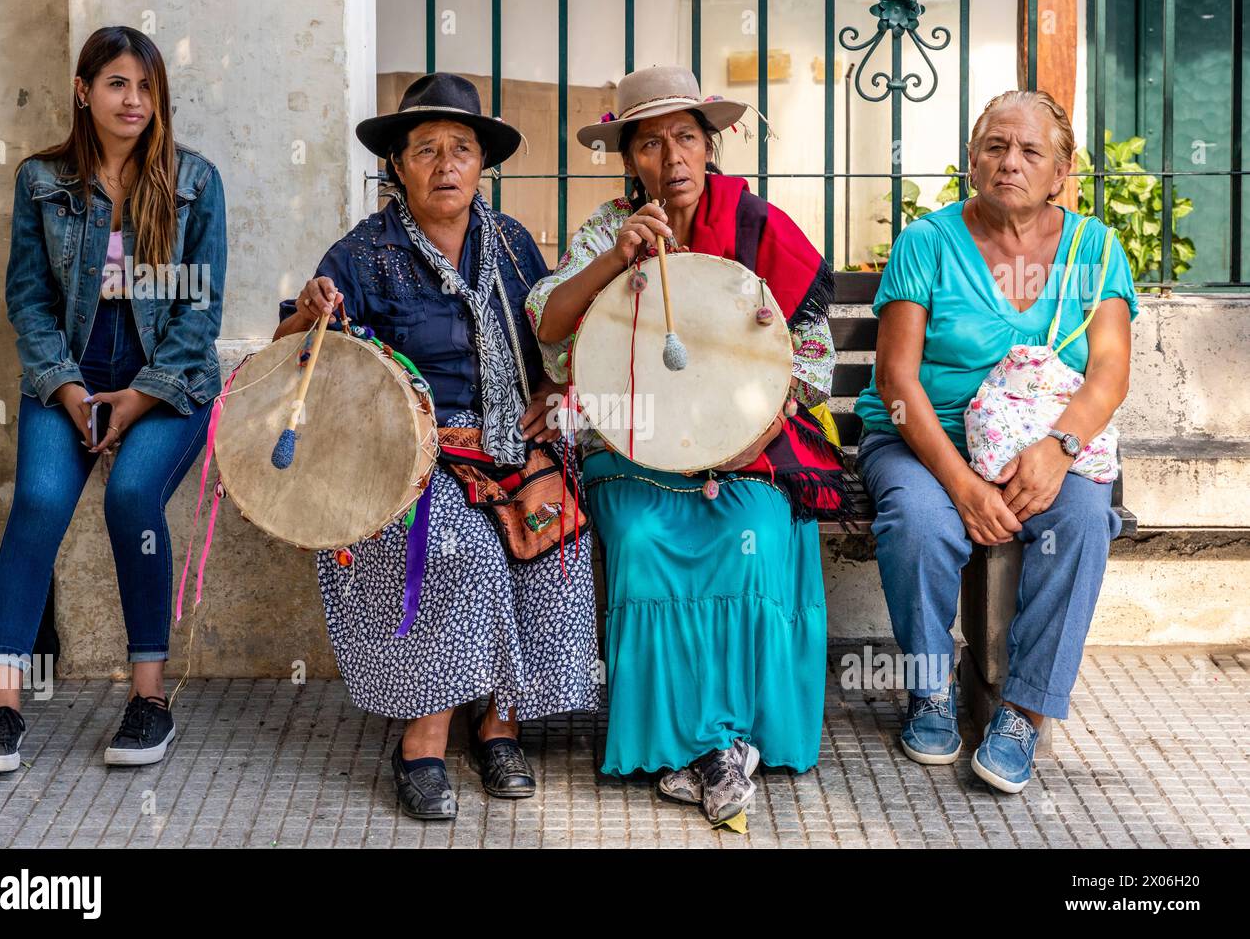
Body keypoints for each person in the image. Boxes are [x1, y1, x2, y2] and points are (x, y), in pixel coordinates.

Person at [527, 65, 849, 825]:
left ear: (712, 143)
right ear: (629, 158)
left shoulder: (758, 229)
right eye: (648, 143)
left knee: (754, 531)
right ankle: (690, 746)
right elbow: (549, 329)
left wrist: (753, 435)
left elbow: (813, 359)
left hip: (746, 446)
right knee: (642, 538)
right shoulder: (609, 228)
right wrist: (617, 259)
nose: (669, 157)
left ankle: (729, 739)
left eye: (684, 137)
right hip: (632, 445)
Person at [274, 73, 597, 821]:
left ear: (482, 161)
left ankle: (500, 724)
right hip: (406, 454)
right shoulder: (364, 253)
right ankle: (421, 741)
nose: (446, 164)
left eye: (461, 148)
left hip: (510, 443)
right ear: (397, 165)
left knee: (560, 535)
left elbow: (551, 343)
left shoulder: (512, 243)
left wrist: (554, 395)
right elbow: (297, 360)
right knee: (459, 549)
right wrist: (306, 313)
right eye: (426, 150)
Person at [853, 90, 1136, 793]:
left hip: (1045, 442)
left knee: (1079, 518)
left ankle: (1024, 710)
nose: (1009, 161)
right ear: (973, 158)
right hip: (926, 440)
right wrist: (962, 484)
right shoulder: (928, 243)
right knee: (919, 519)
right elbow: (896, 379)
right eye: (994, 146)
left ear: (1060, 172)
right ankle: (930, 688)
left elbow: (1109, 370)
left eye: (1030, 151)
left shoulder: (1095, 250)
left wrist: (1059, 448)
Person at [0, 26, 226, 774]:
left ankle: (148, 697)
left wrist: (139, 398)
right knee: (39, 502)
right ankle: (3, 706)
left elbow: (198, 314)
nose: (134, 100)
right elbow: (29, 299)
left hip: (167, 384)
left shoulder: (195, 183)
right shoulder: (41, 182)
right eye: (117, 83)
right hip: (66, 377)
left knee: (132, 498)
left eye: (146, 87)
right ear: (84, 91)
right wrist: (71, 391)